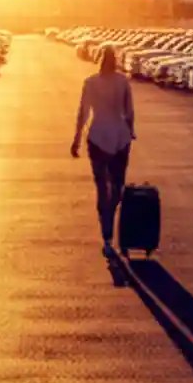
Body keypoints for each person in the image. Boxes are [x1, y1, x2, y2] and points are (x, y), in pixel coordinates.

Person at [71, 46, 135, 255]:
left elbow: (83, 112)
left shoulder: (91, 82)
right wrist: (130, 131)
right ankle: (111, 217)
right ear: (115, 60)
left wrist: (77, 139)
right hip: (120, 138)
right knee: (117, 185)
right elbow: (129, 112)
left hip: (98, 137)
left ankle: (106, 234)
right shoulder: (123, 82)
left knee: (101, 187)